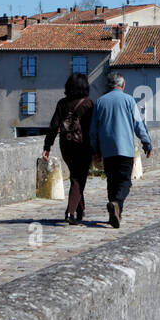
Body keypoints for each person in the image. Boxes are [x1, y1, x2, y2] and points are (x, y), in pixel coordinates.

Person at [88, 72, 151, 228]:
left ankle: (115, 214)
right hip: (125, 149)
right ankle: (116, 204)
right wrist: (146, 143)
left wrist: (95, 150)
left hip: (107, 150)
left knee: (112, 181)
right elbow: (138, 124)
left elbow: (93, 131)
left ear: (108, 86)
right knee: (125, 182)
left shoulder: (100, 102)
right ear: (123, 85)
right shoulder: (129, 100)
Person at [42, 73, 94, 225]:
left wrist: (47, 146)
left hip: (66, 145)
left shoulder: (62, 104)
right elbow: (94, 129)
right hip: (83, 145)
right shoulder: (88, 104)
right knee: (78, 178)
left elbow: (53, 126)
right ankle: (70, 212)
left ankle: (80, 209)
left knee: (76, 175)